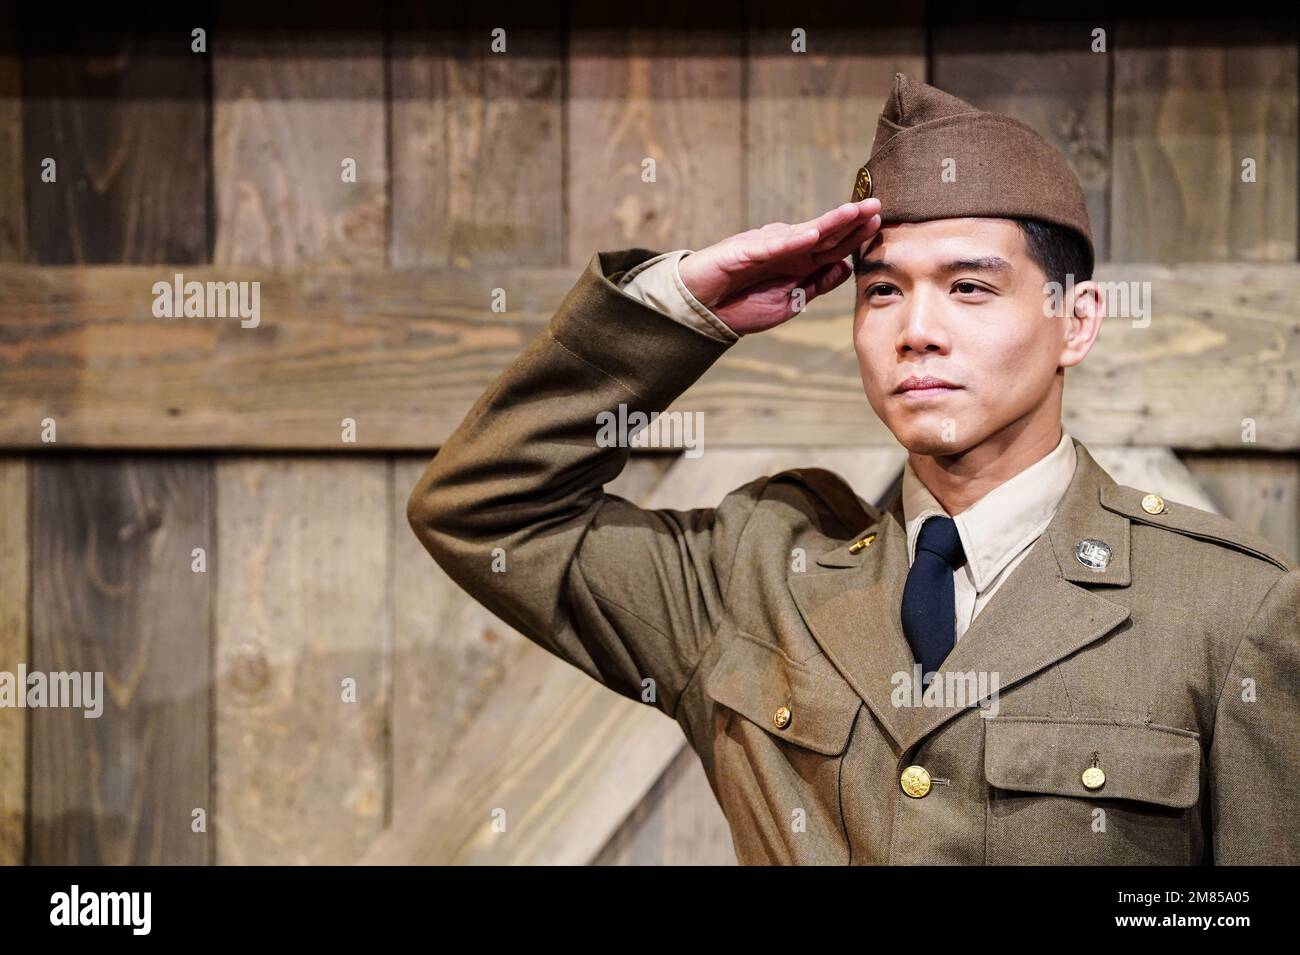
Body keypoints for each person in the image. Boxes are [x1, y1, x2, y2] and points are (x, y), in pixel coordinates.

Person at [407, 73, 1299, 864]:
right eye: (882, 290)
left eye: (971, 287)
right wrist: (681, 306)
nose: (917, 328)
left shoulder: (1227, 607)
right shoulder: (753, 575)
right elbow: (485, 509)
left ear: (1076, 319)